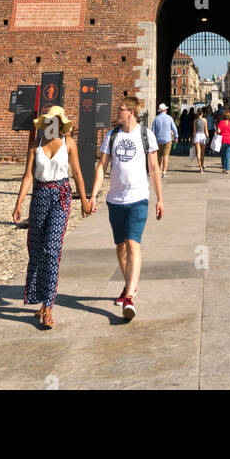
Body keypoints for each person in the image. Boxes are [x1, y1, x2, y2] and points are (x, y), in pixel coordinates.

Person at [13, 105, 91, 329]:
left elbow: (76, 173)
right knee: (36, 249)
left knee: (51, 248)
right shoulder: (35, 145)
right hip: (39, 196)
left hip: (61, 196)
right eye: (48, 121)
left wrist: (84, 200)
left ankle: (48, 305)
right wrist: (18, 203)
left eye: (54, 121)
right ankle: (40, 300)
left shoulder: (69, 144)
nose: (51, 125)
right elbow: (28, 176)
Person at [89, 96, 163, 319]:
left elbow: (154, 168)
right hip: (115, 200)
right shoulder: (112, 136)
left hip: (139, 197)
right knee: (120, 247)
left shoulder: (145, 135)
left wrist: (160, 198)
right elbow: (102, 166)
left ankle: (129, 297)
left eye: (120, 109)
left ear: (131, 112)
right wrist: (93, 195)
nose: (117, 113)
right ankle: (129, 284)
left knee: (133, 244)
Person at [151, 103, 178, 177]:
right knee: (165, 155)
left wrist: (152, 141)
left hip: (158, 139)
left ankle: (159, 170)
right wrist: (176, 137)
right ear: (165, 110)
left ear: (160, 111)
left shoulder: (156, 119)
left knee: (159, 156)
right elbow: (174, 129)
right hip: (167, 139)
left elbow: (152, 131)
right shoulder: (169, 118)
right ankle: (164, 172)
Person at [217, 108, 230, 173]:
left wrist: (218, 130)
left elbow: (218, 131)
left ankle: (224, 168)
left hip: (222, 140)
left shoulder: (221, 123)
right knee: (228, 155)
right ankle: (227, 169)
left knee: (222, 155)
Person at [192, 106, 208, 172]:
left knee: (198, 153)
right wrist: (208, 137)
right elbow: (206, 130)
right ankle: (202, 164)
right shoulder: (205, 120)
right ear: (202, 113)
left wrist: (193, 139)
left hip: (197, 136)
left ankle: (200, 167)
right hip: (203, 136)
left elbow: (194, 131)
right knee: (203, 153)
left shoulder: (195, 121)